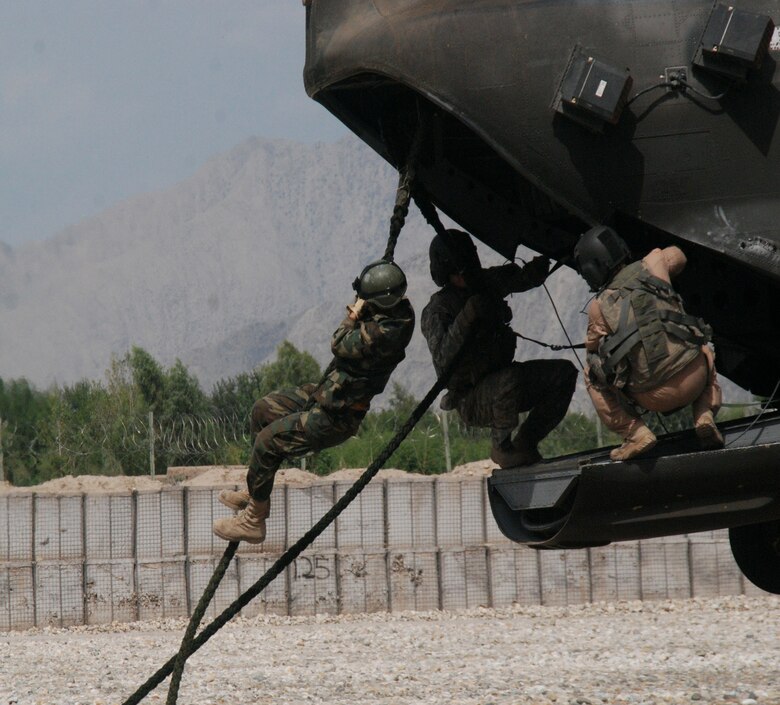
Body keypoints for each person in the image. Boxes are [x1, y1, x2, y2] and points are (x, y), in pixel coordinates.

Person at [213, 259, 415, 543]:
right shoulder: (396, 309)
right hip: (326, 394)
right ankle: (255, 491)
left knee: (267, 442)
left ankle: (253, 521)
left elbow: (339, 342)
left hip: (336, 416)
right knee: (263, 409)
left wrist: (353, 314)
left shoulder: (385, 333)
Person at [420, 229, 578, 469]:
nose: (466, 278)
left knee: (563, 373)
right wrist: (467, 316)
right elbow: (443, 361)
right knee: (509, 379)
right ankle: (501, 448)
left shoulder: (483, 283)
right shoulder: (437, 309)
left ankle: (525, 442)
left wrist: (537, 269)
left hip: (505, 384)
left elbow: (518, 279)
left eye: (468, 270)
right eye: (458, 273)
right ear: (446, 273)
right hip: (471, 398)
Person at [574, 225, 723, 461]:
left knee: (590, 371)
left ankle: (636, 433)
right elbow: (680, 256)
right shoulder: (654, 263)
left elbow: (592, 348)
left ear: (592, 269)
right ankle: (704, 414)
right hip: (695, 378)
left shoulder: (598, 307)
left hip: (654, 396)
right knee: (701, 342)